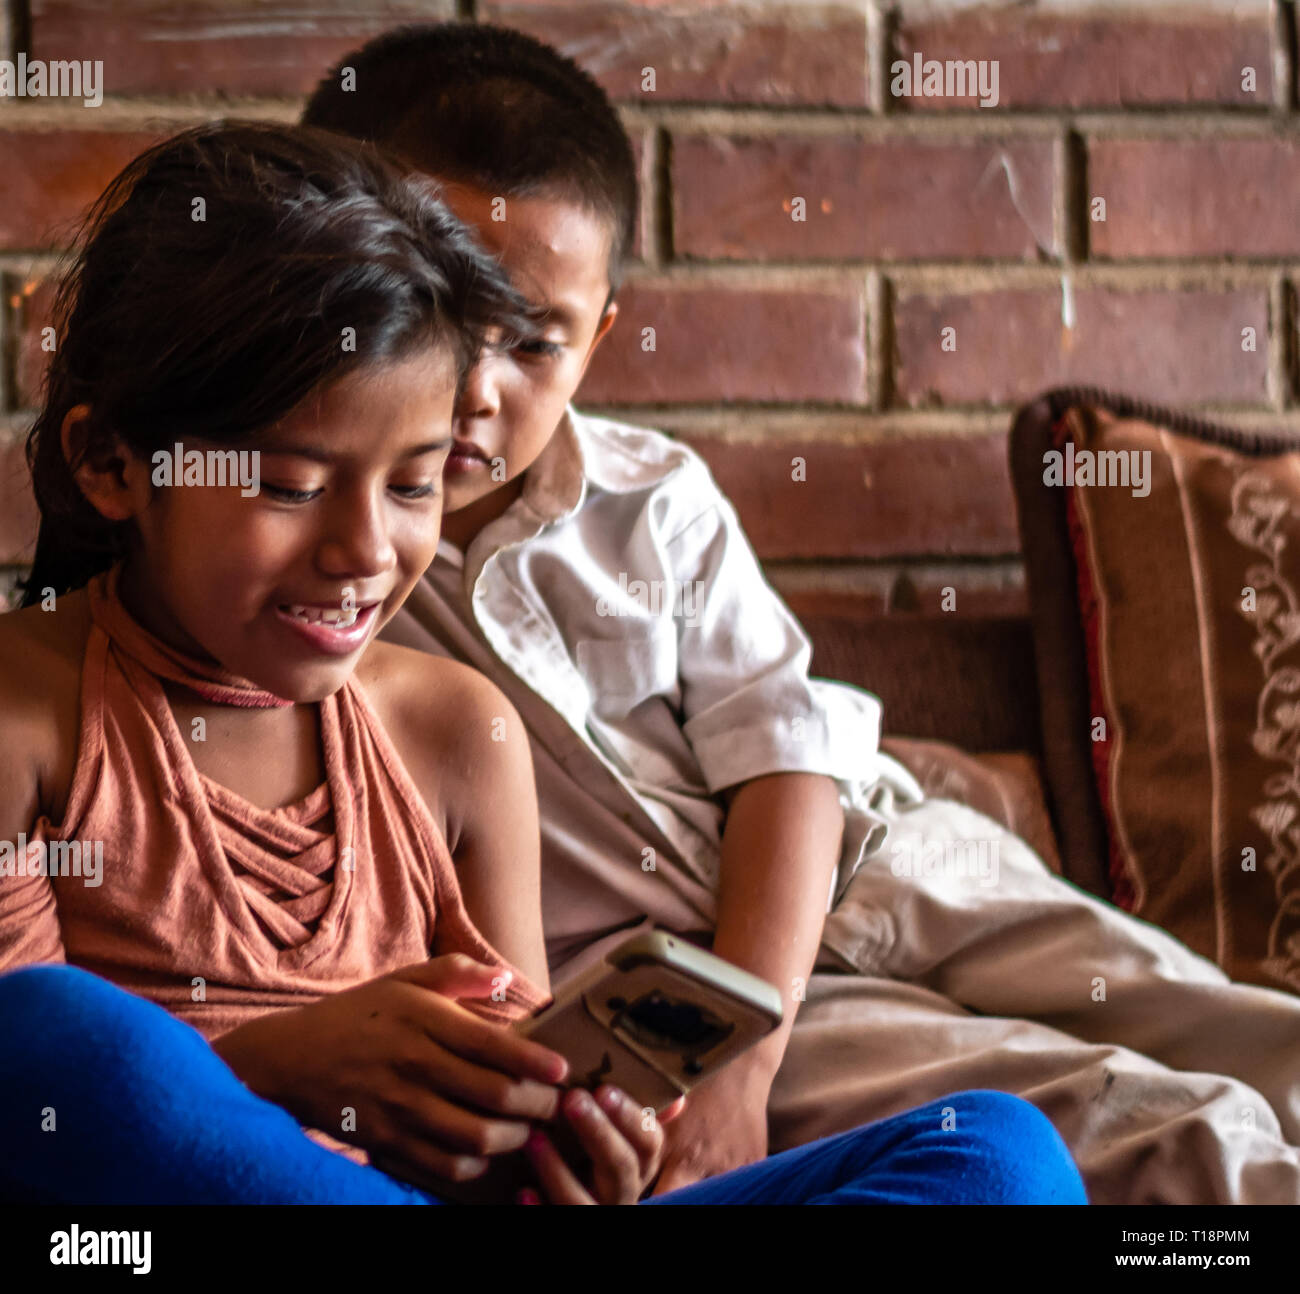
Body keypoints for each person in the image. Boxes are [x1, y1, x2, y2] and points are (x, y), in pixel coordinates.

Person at [302, 21, 1300, 1205]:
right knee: (1177, 1134)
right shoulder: (310, 569)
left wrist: (748, 1057)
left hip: (875, 858)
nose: (476, 388)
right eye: (437, 315)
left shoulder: (649, 496)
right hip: (674, 1005)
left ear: (602, 335)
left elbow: (784, 759)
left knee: (1246, 1037)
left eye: (532, 343)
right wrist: (727, 1069)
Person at [0, 120, 1085, 1206]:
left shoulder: (457, 732)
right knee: (56, 1034)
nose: (367, 553)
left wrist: (563, 1145)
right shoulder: (31, 719)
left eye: (415, 485)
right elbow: (40, 1119)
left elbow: (515, 1089)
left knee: (993, 1150)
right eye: (289, 485)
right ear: (111, 464)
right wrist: (279, 1072)